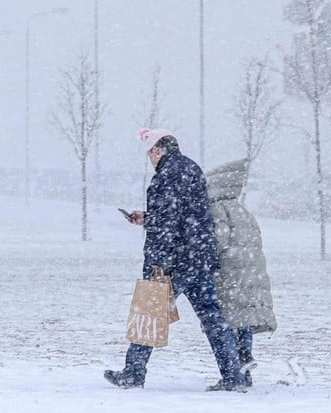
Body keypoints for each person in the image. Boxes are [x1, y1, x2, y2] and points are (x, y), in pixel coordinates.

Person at [104, 128, 249, 392]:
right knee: (213, 318)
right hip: (199, 258)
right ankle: (234, 376)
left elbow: (169, 222)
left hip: (175, 260)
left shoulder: (166, 176)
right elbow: (182, 216)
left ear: (157, 150)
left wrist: (157, 262)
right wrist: (147, 218)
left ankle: (133, 373)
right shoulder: (191, 168)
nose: (150, 158)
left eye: (149, 153)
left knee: (149, 311)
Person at [205, 158, 277, 387]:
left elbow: (219, 239)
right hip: (249, 275)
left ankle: (237, 367)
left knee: (226, 322)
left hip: (230, 274)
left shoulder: (218, 209)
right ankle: (245, 369)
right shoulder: (243, 210)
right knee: (242, 321)